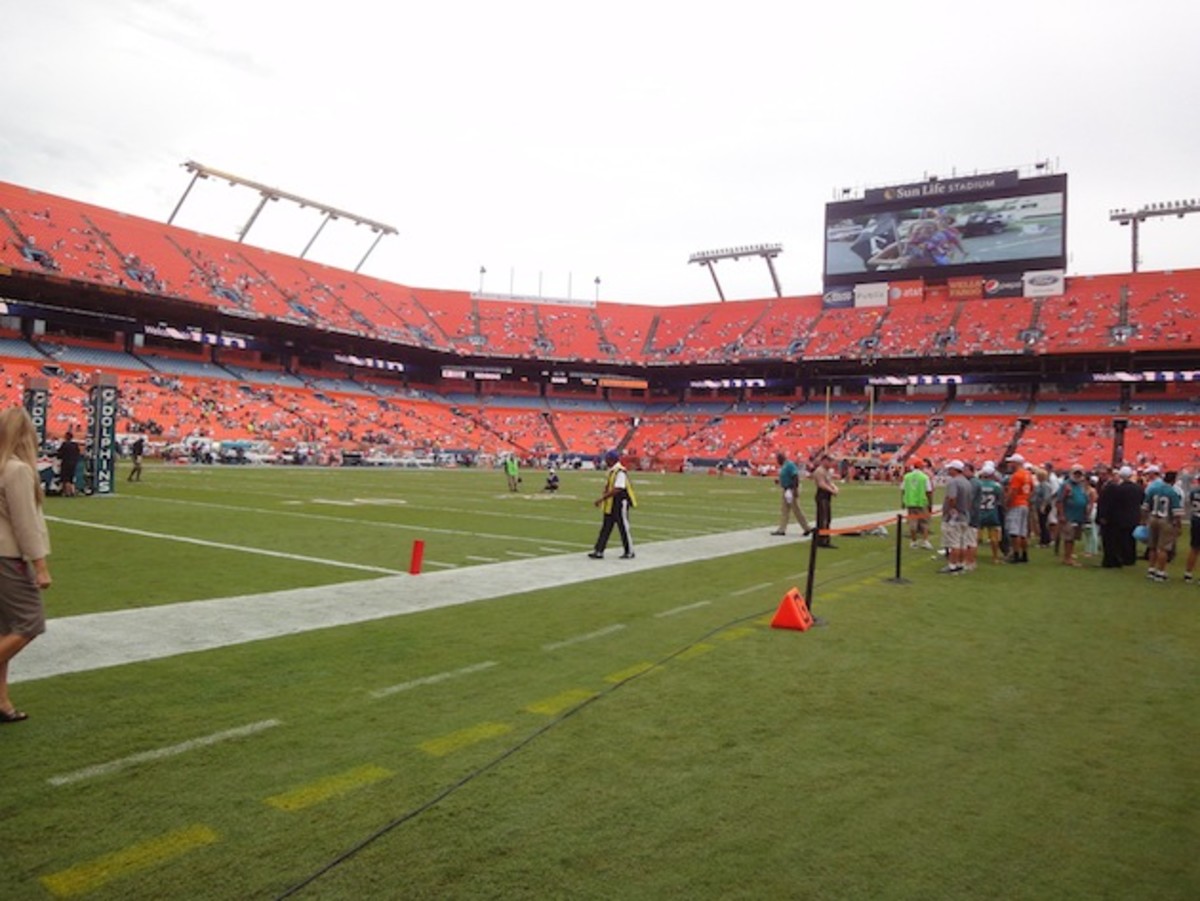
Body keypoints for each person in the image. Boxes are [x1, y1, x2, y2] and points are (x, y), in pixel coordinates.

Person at [0, 407, 53, 724]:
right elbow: (25, 523)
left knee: (4, 629)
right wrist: (41, 566)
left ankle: (2, 701)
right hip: (7, 558)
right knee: (30, 624)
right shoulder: (17, 470)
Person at [588, 450, 636, 559]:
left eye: (607, 459)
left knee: (623, 527)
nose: (605, 461)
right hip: (611, 503)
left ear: (611, 460)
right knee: (606, 527)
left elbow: (618, 488)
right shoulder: (613, 471)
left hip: (619, 502)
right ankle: (599, 550)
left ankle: (629, 551)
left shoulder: (620, 471)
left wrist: (602, 498)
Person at [1141, 465, 1182, 582]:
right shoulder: (1173, 492)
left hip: (1153, 518)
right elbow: (1176, 512)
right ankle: (1161, 572)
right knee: (1163, 549)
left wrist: (1143, 520)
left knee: (1152, 546)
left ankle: (1151, 569)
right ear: (1173, 480)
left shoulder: (1154, 489)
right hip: (1166, 520)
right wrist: (1178, 526)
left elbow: (1145, 507)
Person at [938, 460, 971, 574]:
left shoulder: (954, 482)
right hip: (964, 515)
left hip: (955, 517)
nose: (948, 470)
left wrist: (952, 510)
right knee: (962, 542)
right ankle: (961, 564)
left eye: (950, 468)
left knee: (954, 543)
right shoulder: (967, 482)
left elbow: (952, 497)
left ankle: (952, 565)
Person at [771, 451, 812, 537]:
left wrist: (795, 489)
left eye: (778, 459)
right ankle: (782, 529)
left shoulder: (789, 465)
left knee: (796, 509)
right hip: (786, 489)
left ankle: (807, 528)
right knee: (785, 510)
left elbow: (795, 476)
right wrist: (780, 481)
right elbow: (787, 477)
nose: (777, 461)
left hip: (791, 489)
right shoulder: (784, 466)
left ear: (781, 458)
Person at [1056, 465, 1090, 567]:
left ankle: (1069, 555)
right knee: (1068, 537)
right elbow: (1060, 501)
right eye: (1076, 473)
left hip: (1078, 515)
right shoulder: (1066, 485)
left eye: (1079, 473)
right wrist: (1062, 514)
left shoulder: (1081, 485)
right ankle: (1067, 558)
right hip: (1069, 515)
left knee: (1073, 537)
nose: (1077, 475)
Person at [1003, 453, 1034, 563]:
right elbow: (1031, 489)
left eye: (1011, 462)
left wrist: (1006, 503)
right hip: (1024, 503)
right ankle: (1024, 554)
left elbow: (1013, 491)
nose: (1010, 464)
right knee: (1022, 532)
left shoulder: (1017, 475)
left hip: (1016, 504)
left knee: (1014, 531)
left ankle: (1016, 555)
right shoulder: (1028, 474)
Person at [901, 459, 934, 550]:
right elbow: (929, 491)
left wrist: (903, 501)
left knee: (912, 522)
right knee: (924, 522)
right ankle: (925, 541)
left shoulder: (907, 476)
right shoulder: (924, 477)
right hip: (921, 502)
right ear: (921, 467)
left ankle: (913, 541)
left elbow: (903, 489)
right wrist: (930, 503)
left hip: (910, 502)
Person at [976, 462, 1005, 564]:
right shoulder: (996, 486)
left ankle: (973, 556)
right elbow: (1000, 499)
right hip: (992, 512)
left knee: (976, 537)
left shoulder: (978, 484)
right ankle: (995, 557)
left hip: (979, 512)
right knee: (994, 538)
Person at [811, 454, 839, 548]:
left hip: (826, 495)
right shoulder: (819, 471)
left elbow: (829, 482)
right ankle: (822, 540)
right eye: (829, 461)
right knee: (823, 519)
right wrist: (832, 490)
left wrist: (834, 487)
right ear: (824, 460)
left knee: (827, 518)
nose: (831, 463)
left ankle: (825, 539)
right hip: (822, 495)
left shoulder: (827, 471)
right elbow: (821, 484)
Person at [1184, 471, 1200, 583]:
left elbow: (1189, 503)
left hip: (1195, 519)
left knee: (1194, 548)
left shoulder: (1194, 492)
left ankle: (1188, 573)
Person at [57, 430, 81, 497]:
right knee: (71, 478)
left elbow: (59, 454)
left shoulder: (65, 444)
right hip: (73, 463)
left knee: (65, 478)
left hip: (66, 463)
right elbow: (78, 453)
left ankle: (68, 492)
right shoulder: (75, 445)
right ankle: (73, 491)